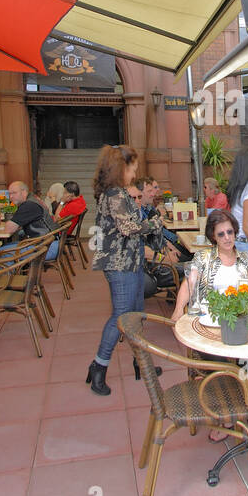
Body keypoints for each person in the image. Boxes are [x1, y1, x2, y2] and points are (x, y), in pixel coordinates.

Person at [88, 144, 164, 396]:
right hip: (120, 264)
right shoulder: (115, 195)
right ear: (122, 168)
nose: (135, 172)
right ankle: (99, 366)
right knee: (121, 317)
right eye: (132, 167)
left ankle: (141, 363)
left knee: (137, 313)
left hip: (129, 261)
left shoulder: (116, 193)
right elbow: (129, 228)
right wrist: (154, 222)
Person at [1, 180, 56, 259]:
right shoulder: (32, 199)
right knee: (6, 246)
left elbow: (8, 230)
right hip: (48, 242)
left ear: (24, 192)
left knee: (3, 251)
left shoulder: (28, 205)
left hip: (47, 247)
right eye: (9, 194)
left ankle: (11, 271)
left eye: (14, 193)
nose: (11, 197)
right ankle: (17, 271)